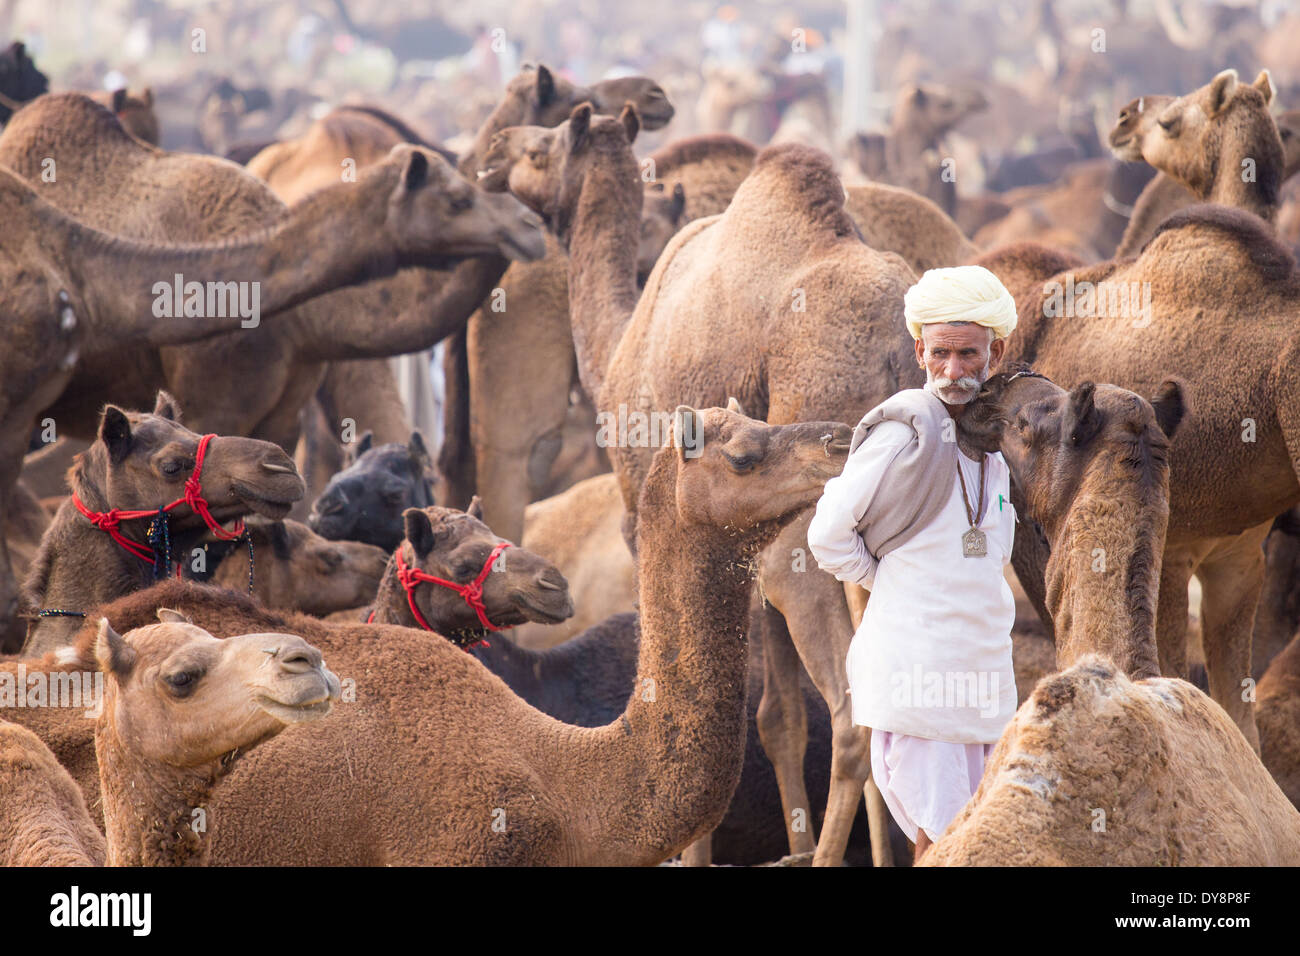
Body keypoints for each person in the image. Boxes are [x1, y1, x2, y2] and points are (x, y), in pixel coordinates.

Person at [807, 265, 1020, 862]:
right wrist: (890, 580)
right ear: (919, 350)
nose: (953, 372)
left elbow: (991, 551)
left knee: (977, 837)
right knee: (939, 840)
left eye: (969, 355)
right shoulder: (903, 430)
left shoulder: (995, 444)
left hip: (983, 672)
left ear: (995, 352)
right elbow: (827, 535)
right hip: (922, 672)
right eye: (940, 354)